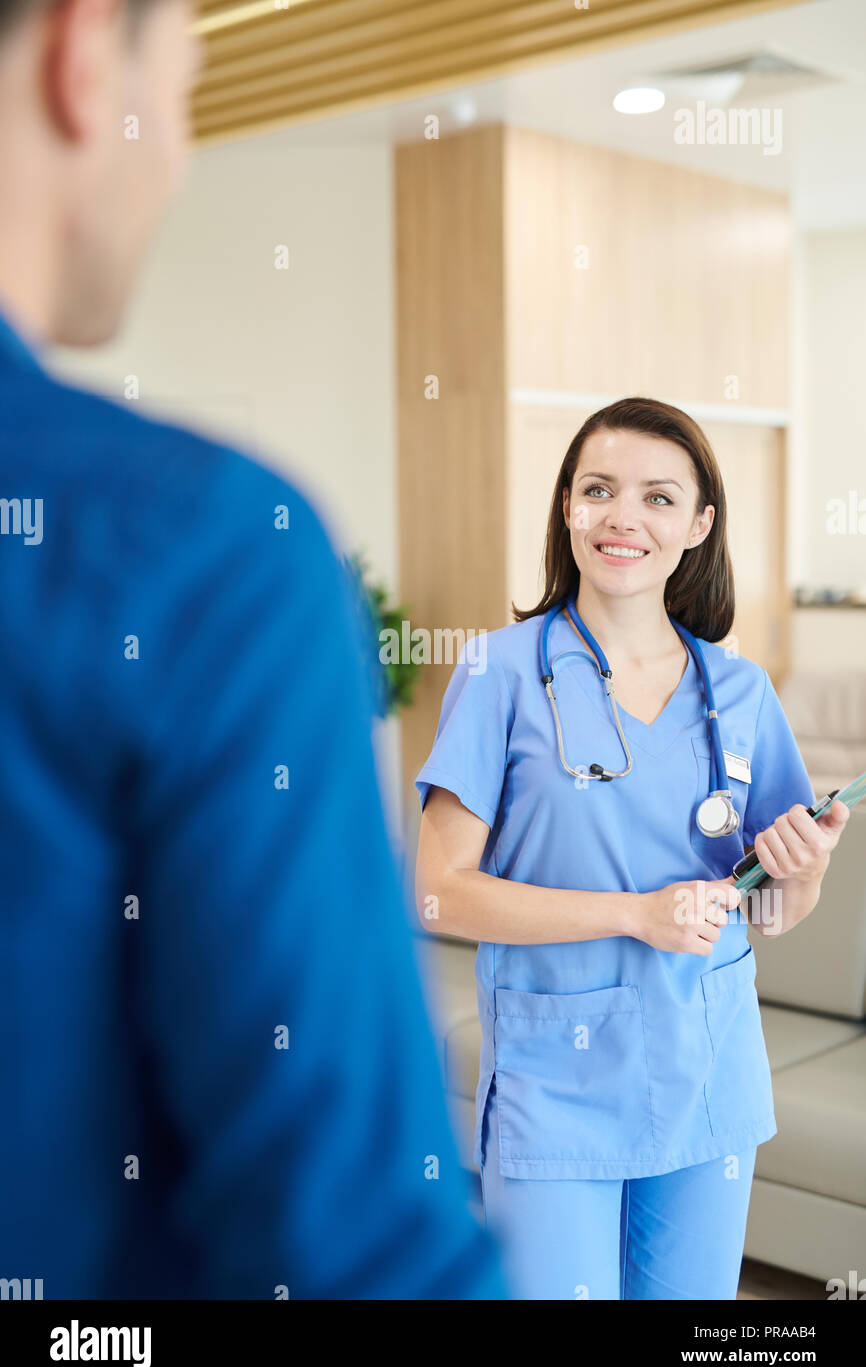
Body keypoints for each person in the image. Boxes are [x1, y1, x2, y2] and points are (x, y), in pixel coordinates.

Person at [0, 0, 504, 1299]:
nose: (174, 151)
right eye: (186, 83)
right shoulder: (199, 551)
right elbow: (352, 1251)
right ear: (78, 53)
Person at [414, 397, 849, 1301]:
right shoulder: (499, 672)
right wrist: (634, 915)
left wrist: (803, 873)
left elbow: (771, 911)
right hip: (555, 1087)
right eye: (599, 490)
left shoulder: (739, 690)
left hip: (710, 1078)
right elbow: (439, 891)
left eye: (658, 498)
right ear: (567, 509)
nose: (623, 517)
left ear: (698, 525)